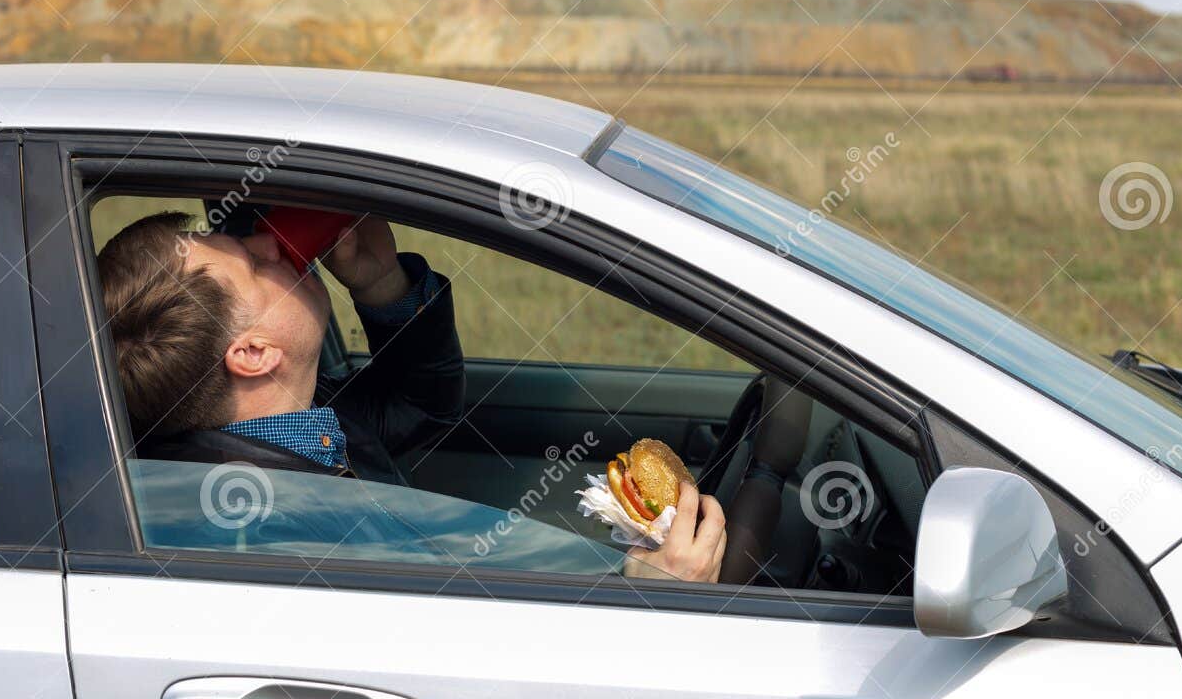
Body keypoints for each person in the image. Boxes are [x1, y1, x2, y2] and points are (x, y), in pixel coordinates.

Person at [95, 209, 727, 582]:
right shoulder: (273, 534)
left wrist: (381, 283)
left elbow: (417, 406)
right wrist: (645, 598)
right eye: (254, 265)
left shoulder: (291, 427)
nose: (268, 243)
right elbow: (465, 657)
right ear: (254, 353)